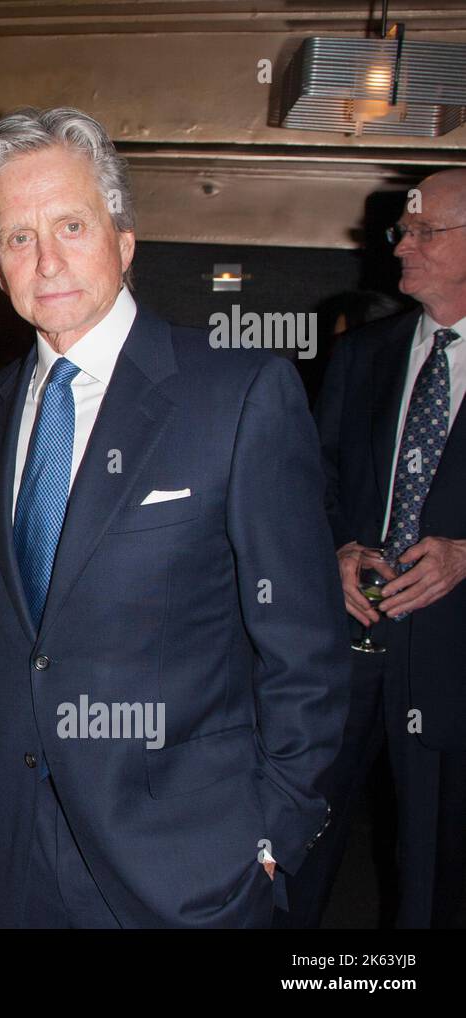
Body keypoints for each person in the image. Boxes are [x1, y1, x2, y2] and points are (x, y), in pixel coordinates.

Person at [0, 107, 350, 928]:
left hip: (187, 869)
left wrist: (274, 833)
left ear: (124, 239)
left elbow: (306, 649)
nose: (49, 258)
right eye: (18, 238)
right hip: (11, 863)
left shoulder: (238, 396)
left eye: (71, 224)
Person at [308, 169, 466, 928]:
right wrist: (336, 546)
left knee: (434, 872)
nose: (401, 243)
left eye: (424, 231)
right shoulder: (363, 354)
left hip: (451, 662)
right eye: (402, 230)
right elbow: (315, 481)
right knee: (298, 848)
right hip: (347, 652)